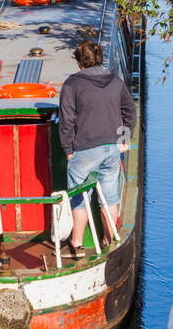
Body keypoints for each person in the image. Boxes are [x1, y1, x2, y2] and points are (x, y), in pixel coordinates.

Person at [58, 40, 137, 259]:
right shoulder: (115, 81)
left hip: (84, 149)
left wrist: (68, 150)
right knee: (110, 197)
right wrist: (123, 140)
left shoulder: (71, 84)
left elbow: (66, 121)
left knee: (79, 197)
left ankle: (76, 243)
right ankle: (108, 238)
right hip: (111, 148)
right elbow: (130, 112)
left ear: (80, 62)